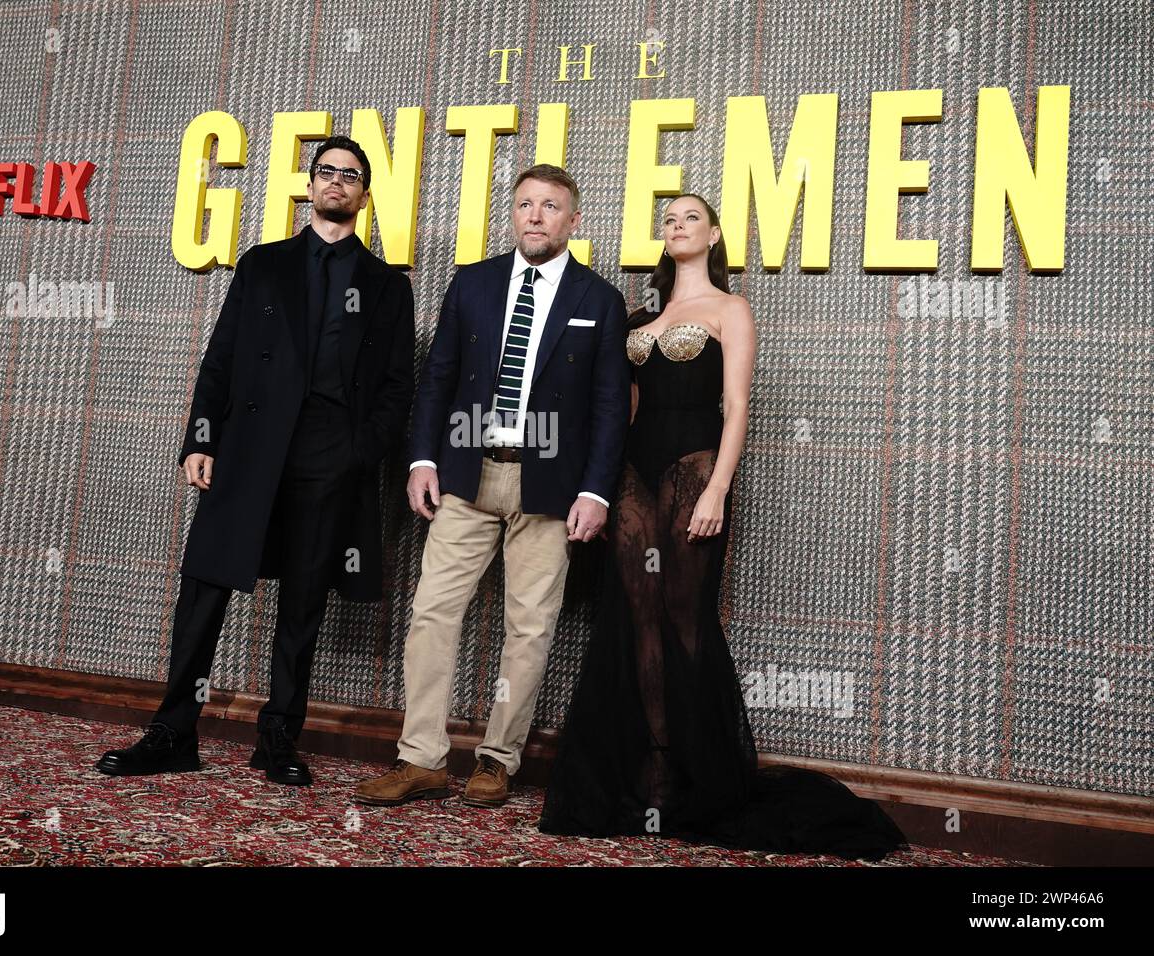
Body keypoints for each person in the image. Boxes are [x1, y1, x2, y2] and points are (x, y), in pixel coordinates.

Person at [537, 194, 906, 860]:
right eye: (669, 219)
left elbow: (735, 406)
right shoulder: (639, 314)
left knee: (684, 617)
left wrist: (717, 488)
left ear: (713, 235)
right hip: (632, 477)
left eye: (690, 218)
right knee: (633, 617)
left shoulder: (732, 310)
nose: (677, 226)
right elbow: (618, 408)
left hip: (694, 469)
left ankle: (695, 773)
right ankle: (649, 769)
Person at [95, 136, 415, 786]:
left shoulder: (386, 286)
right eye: (326, 172)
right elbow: (221, 359)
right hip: (249, 444)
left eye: (350, 176)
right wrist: (199, 439)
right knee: (205, 587)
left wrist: (361, 452)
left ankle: (278, 740)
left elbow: (397, 389)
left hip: (330, 450)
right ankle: (173, 732)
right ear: (309, 184)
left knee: (302, 602)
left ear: (363, 193)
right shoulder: (262, 265)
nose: (336, 183)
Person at [353, 164, 631, 808]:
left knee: (529, 626)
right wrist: (422, 460)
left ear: (573, 219)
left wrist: (596, 491)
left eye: (552, 206)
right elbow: (438, 378)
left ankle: (498, 759)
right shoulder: (473, 283)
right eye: (526, 204)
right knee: (431, 613)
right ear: (513, 212)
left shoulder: (598, 300)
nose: (536, 216)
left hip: (552, 483)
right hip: (467, 472)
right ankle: (421, 757)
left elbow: (611, 406)